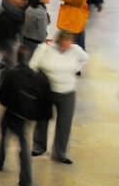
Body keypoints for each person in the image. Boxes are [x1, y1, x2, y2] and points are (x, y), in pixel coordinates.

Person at [0, 54, 45, 186]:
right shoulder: (34, 76)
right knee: (23, 146)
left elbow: (1, 95)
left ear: (17, 59)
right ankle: (26, 179)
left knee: (3, 139)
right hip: (25, 116)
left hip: (11, 114)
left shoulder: (10, 74)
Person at [30, 30, 87, 164]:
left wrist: (76, 68)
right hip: (47, 91)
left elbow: (85, 59)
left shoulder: (76, 50)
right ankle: (39, 146)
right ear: (59, 41)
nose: (69, 44)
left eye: (70, 41)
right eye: (66, 41)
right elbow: (32, 66)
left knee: (64, 124)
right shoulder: (44, 49)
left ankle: (60, 153)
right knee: (42, 120)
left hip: (68, 92)